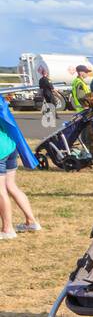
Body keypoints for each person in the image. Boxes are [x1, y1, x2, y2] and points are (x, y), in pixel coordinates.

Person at [0, 94, 40, 237]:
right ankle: (31, 221)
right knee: (11, 185)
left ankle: (7, 229)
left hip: (1, 150)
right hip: (10, 146)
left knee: (1, 190)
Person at [70, 64, 93, 163]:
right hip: (85, 112)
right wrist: (89, 104)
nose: (87, 74)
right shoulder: (79, 83)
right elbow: (81, 97)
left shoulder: (78, 82)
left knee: (86, 134)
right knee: (89, 134)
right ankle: (91, 154)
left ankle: (88, 153)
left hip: (82, 111)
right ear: (80, 72)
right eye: (86, 72)